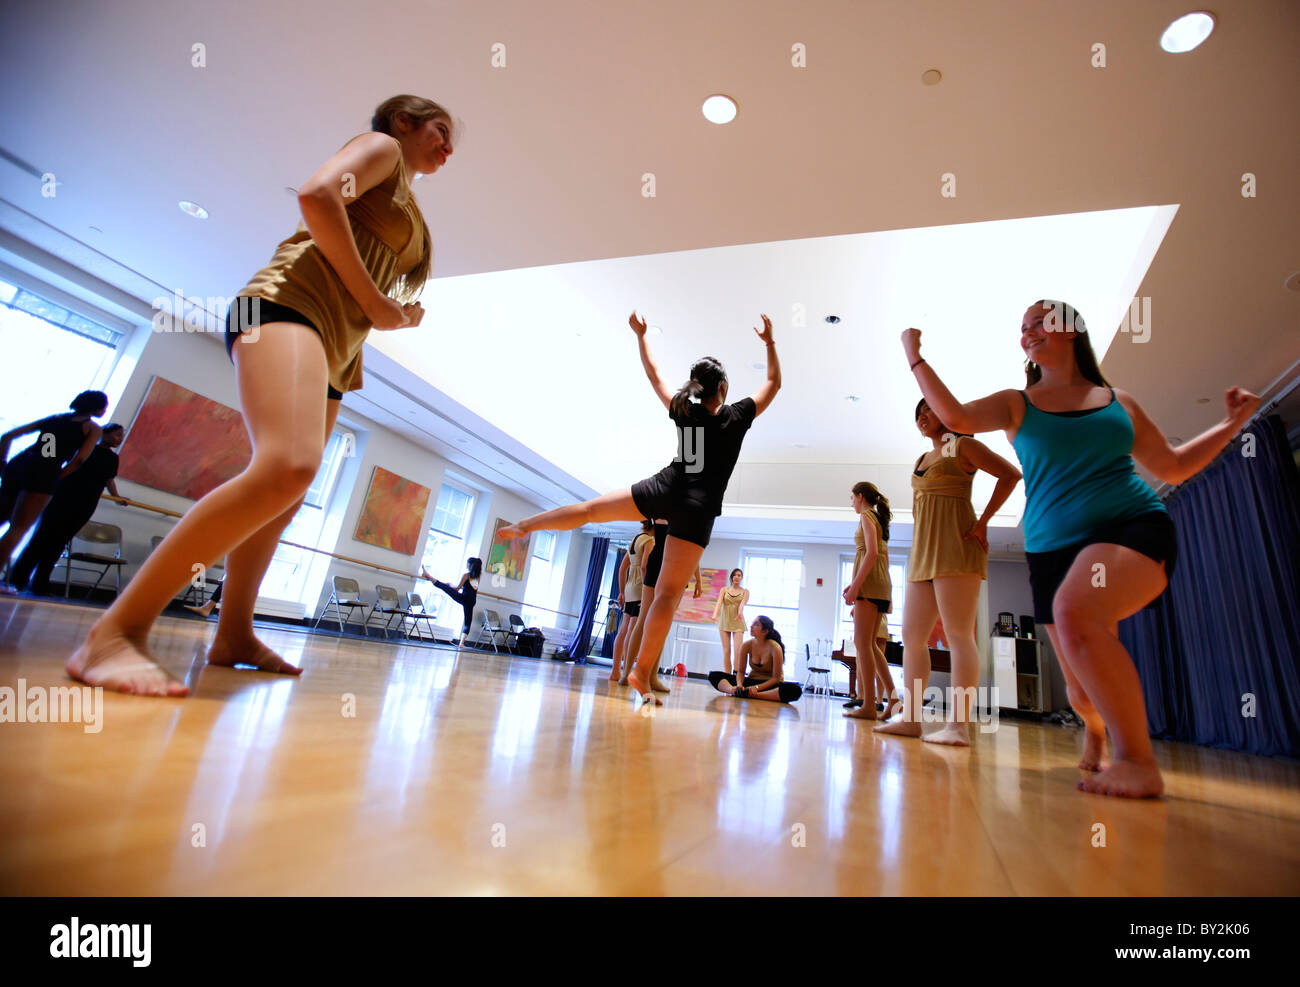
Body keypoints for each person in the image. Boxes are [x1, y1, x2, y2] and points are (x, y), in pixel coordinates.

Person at [66, 95, 454, 696]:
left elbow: (368, 264)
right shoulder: (381, 149)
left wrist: (393, 313)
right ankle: (113, 634)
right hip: (279, 304)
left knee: (286, 493)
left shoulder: (407, 197)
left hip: (336, 341)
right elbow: (317, 196)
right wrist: (380, 306)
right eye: (439, 128)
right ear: (403, 122)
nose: (448, 145)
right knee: (287, 466)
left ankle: (235, 633)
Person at [901, 300, 1258, 796]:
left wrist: (1231, 425)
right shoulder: (1015, 403)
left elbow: (1172, 467)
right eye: (1022, 328)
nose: (1028, 332)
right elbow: (955, 414)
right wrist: (914, 355)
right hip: (1052, 555)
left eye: (1039, 323)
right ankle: (1094, 728)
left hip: (1132, 527)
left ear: (1070, 329)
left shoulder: (1118, 402)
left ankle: (1137, 760)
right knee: (1079, 687)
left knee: (1073, 613)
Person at [498, 310, 781, 708]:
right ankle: (640, 673)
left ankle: (527, 525)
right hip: (697, 512)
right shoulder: (735, 416)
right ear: (724, 389)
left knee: (589, 510)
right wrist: (769, 342)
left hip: (666, 489)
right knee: (666, 597)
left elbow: (654, 375)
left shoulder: (684, 408)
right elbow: (773, 383)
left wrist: (641, 335)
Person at [876, 398, 1021, 744]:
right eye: (919, 413)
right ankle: (910, 718)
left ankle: (958, 726)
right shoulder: (922, 459)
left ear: (948, 413)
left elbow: (1010, 475)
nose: (923, 417)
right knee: (912, 636)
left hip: (957, 546)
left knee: (958, 635)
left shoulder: (962, 444)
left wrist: (984, 522)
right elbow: (918, 508)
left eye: (930, 409)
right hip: (923, 552)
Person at [0, 390, 107, 592]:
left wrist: (2, 462)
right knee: (18, 527)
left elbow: (7, 436)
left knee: (3, 517)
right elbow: (79, 460)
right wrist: (57, 476)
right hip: (45, 469)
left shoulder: (55, 419)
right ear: (97, 408)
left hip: (21, 462)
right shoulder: (92, 428)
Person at [9, 422, 124, 595]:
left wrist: (117, 497)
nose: (119, 439)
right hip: (64, 495)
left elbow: (109, 479)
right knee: (42, 537)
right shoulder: (85, 447)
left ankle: (40, 583)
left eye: (121, 436)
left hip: (86, 502)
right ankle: (17, 579)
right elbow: (69, 463)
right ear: (105, 434)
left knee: (59, 543)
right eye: (117, 435)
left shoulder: (113, 458)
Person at [619, 520, 701, 691]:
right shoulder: (675, 506)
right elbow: (693, 548)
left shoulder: (674, 506)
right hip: (670, 562)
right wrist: (698, 580)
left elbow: (693, 549)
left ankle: (645, 676)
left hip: (673, 562)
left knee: (657, 623)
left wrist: (698, 580)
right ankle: (632, 674)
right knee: (653, 622)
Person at [841, 482, 893, 720]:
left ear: (860, 497)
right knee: (870, 644)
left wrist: (857, 587)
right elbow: (880, 556)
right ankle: (893, 698)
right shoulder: (878, 519)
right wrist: (854, 585)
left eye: (852, 498)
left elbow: (871, 553)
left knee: (862, 644)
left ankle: (869, 706)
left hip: (870, 586)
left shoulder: (866, 516)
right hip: (880, 585)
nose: (851, 502)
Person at [708, 615, 802, 703]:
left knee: (795, 690)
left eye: (756, 624)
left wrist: (756, 688)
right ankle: (734, 691)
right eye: (752, 623)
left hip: (770, 685)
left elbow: (776, 679)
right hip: (751, 682)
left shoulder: (775, 647)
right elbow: (740, 672)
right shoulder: (746, 645)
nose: (751, 626)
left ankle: (755, 695)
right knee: (714, 675)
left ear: (765, 631)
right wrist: (739, 685)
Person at [611, 521, 653, 683]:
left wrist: (621, 592)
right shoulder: (649, 541)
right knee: (633, 631)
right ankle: (626, 672)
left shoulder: (634, 540)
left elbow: (622, 569)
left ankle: (615, 671)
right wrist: (646, 590)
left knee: (624, 630)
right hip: (640, 588)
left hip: (629, 589)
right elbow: (644, 567)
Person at [422, 558, 481, 647]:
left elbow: (457, 588)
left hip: (464, 598)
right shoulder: (477, 578)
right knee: (468, 621)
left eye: (467, 563)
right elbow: (473, 590)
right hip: (472, 601)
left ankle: (429, 576)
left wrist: (450, 585)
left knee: (445, 587)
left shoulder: (466, 575)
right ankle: (462, 643)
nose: (466, 565)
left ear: (469, 565)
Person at [711, 568, 748, 676]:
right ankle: (727, 675)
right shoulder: (724, 589)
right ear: (732, 577)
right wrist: (714, 616)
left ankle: (736, 675)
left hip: (738, 622)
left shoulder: (745, 592)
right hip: (725, 622)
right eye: (735, 575)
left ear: (741, 578)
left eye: (739, 575)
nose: (737, 577)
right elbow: (718, 603)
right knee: (726, 651)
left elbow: (742, 604)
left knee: (738, 651)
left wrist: (740, 613)